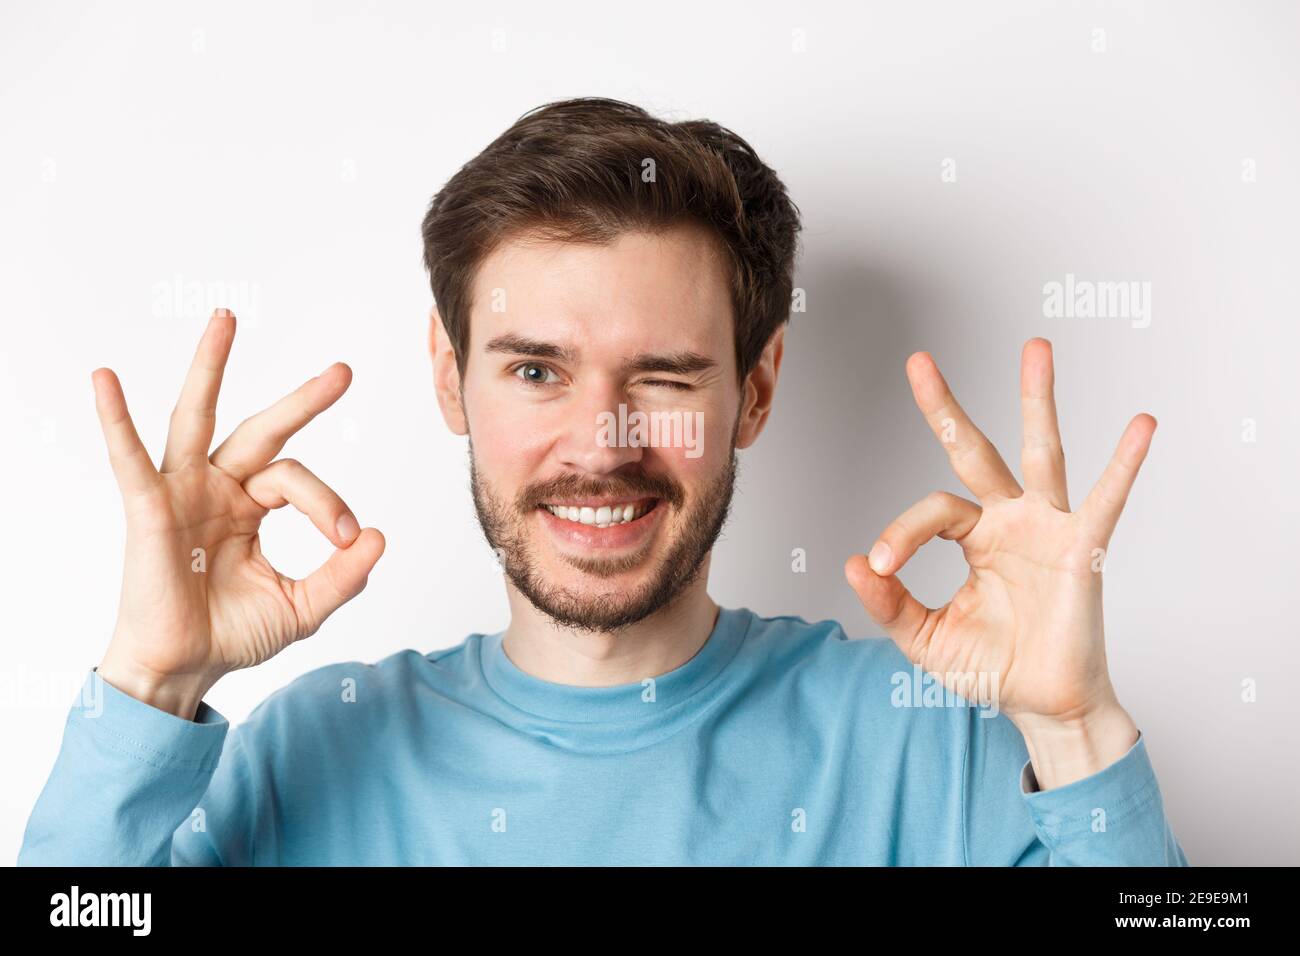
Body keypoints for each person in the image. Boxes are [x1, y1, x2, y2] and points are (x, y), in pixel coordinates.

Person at [18, 97, 1187, 865]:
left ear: (758, 388)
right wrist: (148, 681)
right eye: (536, 368)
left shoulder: (930, 750)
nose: (601, 439)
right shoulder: (304, 754)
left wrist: (1077, 729)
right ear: (449, 377)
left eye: (667, 376)